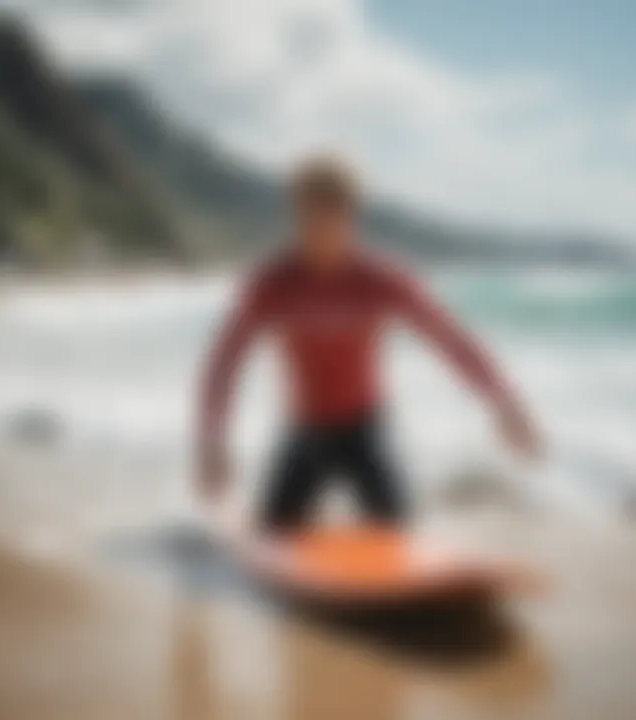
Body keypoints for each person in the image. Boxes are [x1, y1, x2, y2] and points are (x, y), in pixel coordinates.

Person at [198, 156, 543, 532]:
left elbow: (451, 340)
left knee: (396, 534)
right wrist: (213, 441)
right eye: (309, 215)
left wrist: (505, 404)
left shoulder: (380, 279)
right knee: (274, 537)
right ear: (295, 214)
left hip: (364, 430)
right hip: (304, 431)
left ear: (351, 215)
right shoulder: (274, 282)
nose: (320, 229)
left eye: (331, 215)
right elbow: (225, 361)